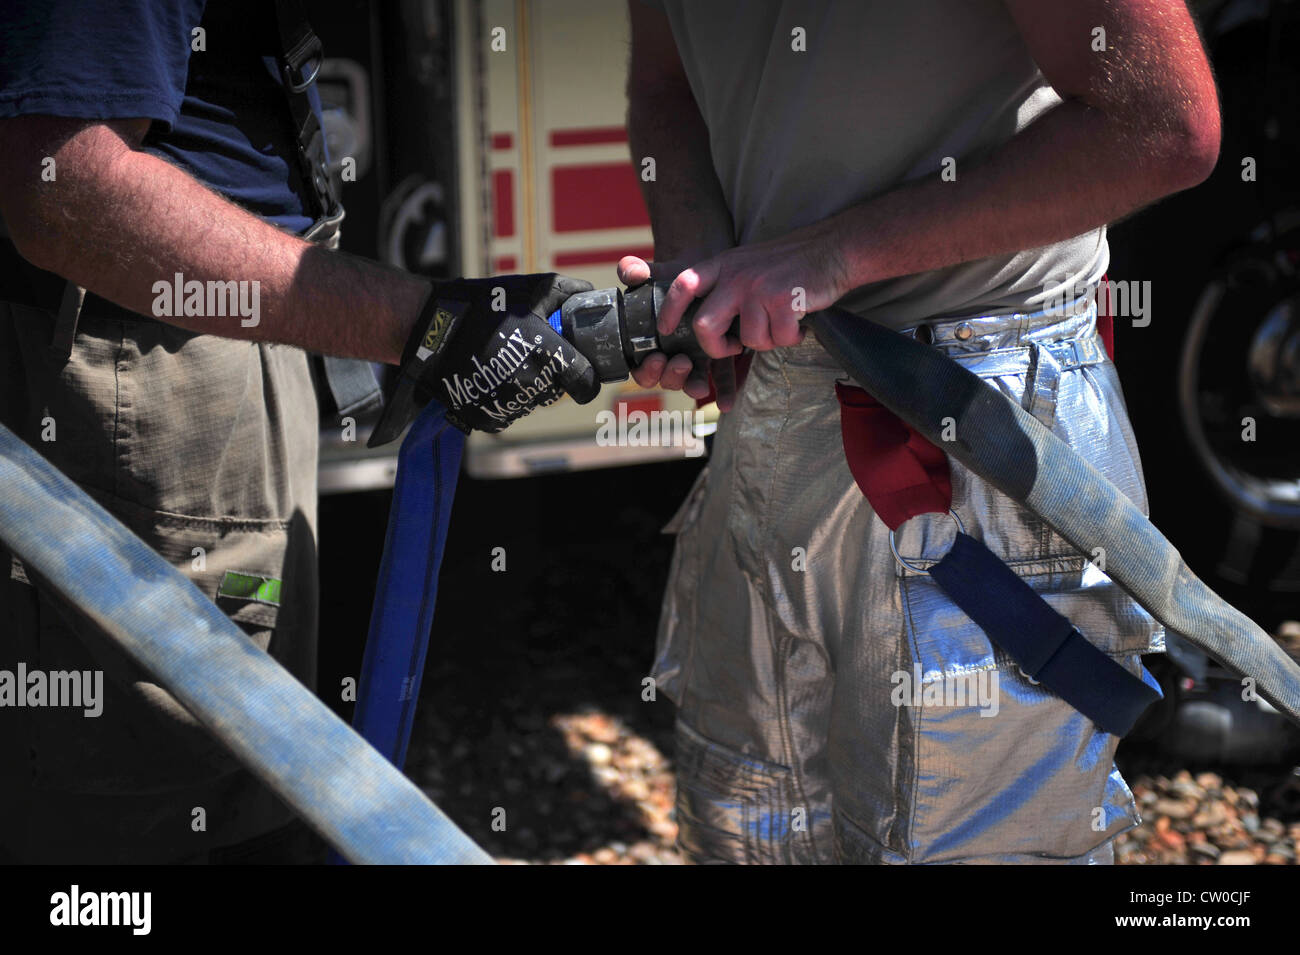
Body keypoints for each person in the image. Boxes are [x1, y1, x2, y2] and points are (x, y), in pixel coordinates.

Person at [621, 0, 1220, 863]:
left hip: (974, 424)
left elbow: (1166, 125)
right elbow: (663, 84)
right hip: (777, 407)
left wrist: (830, 255)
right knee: (749, 830)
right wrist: (701, 275)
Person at [0, 1, 595, 863]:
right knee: (172, 806)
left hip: (189, 365)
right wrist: (423, 328)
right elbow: (61, 184)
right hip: (152, 381)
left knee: (248, 783)